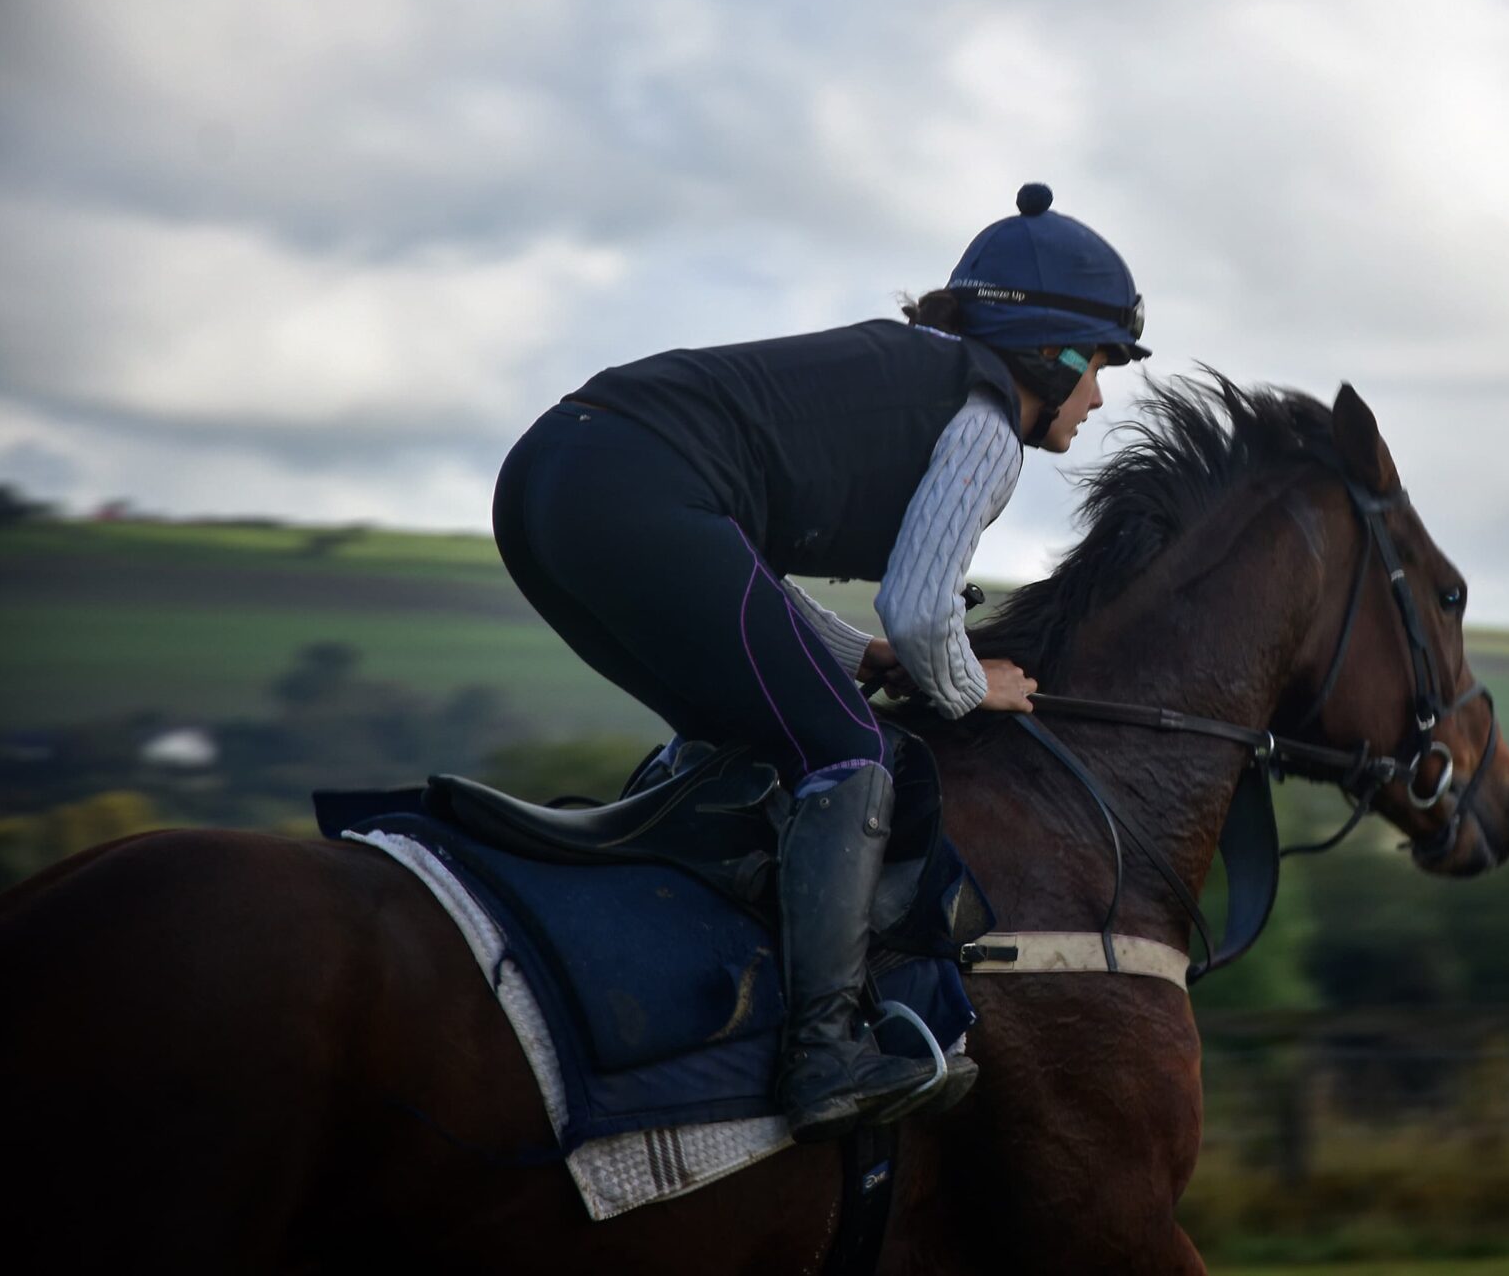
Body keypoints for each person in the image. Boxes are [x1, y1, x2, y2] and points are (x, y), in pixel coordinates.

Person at [490, 183, 1147, 1139]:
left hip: (546, 482)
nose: (1099, 397)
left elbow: (737, 577)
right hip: (634, 490)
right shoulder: (986, 427)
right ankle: (826, 1054)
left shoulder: (920, 379)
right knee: (853, 752)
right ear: (1054, 351)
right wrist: (973, 685)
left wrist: (854, 653)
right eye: (1101, 368)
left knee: (744, 724)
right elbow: (925, 616)